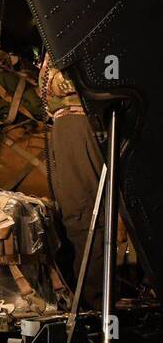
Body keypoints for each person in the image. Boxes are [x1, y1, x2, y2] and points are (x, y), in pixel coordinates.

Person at [40, 53, 105, 301]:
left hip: (78, 120)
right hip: (67, 121)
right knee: (75, 214)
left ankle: (94, 297)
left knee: (82, 212)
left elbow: (75, 82)